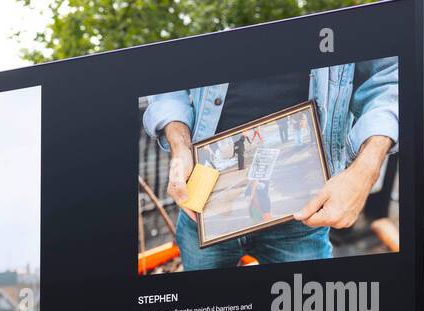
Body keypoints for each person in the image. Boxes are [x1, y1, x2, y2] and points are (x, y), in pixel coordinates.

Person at [142, 58, 398, 270]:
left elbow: (386, 81)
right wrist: (180, 147)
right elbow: (167, 84)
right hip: (203, 204)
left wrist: (365, 171)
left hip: (302, 210)